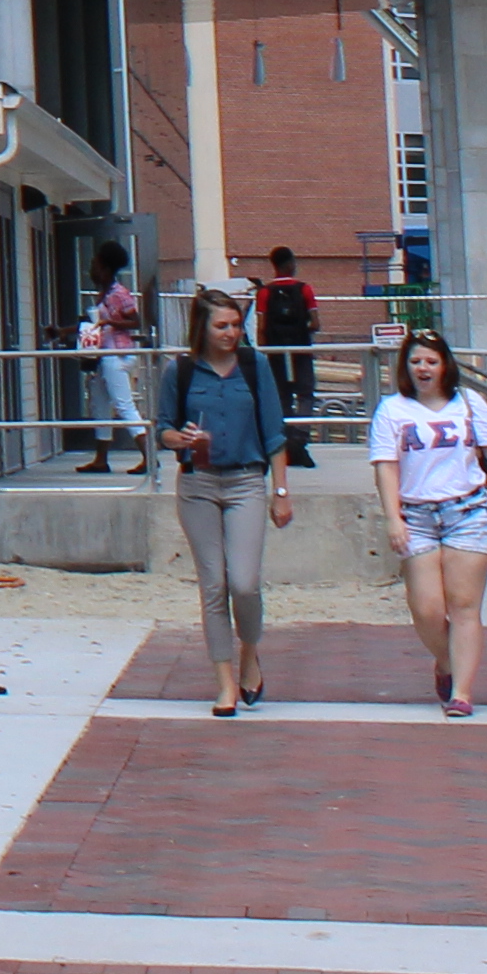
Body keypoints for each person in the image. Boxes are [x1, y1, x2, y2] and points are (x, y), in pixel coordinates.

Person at [367, 324, 487, 716]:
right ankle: (447, 660)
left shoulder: (469, 403)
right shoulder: (392, 410)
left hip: (468, 511)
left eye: (431, 361)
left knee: (464, 604)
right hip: (416, 514)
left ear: (445, 366)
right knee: (427, 609)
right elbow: (386, 466)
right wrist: (393, 517)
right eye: (416, 361)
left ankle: (462, 693)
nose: (423, 368)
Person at [161, 287, 294, 715]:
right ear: (201, 327)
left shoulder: (255, 366)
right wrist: (180, 438)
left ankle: (249, 655)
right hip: (197, 482)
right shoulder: (180, 371)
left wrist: (281, 492)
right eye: (222, 325)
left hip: (245, 481)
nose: (230, 333)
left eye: (236, 325)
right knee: (214, 586)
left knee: (244, 583)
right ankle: (224, 685)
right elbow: (162, 428)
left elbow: (275, 432)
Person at [72, 243, 153, 475]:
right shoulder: (104, 293)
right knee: (100, 405)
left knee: (124, 405)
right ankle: (101, 459)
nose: (92, 270)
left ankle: (149, 456)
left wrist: (110, 322)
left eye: (95, 265)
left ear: (106, 269)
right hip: (104, 355)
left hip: (116, 354)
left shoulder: (118, 293)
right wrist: (64, 331)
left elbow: (136, 321)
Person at [256, 246, 322, 469]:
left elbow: (261, 328)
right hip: (301, 350)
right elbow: (315, 323)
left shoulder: (264, 293)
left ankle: (286, 439)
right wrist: (300, 330)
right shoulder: (304, 289)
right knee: (306, 394)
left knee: (281, 395)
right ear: (291, 263)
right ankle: (300, 439)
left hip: (276, 353)